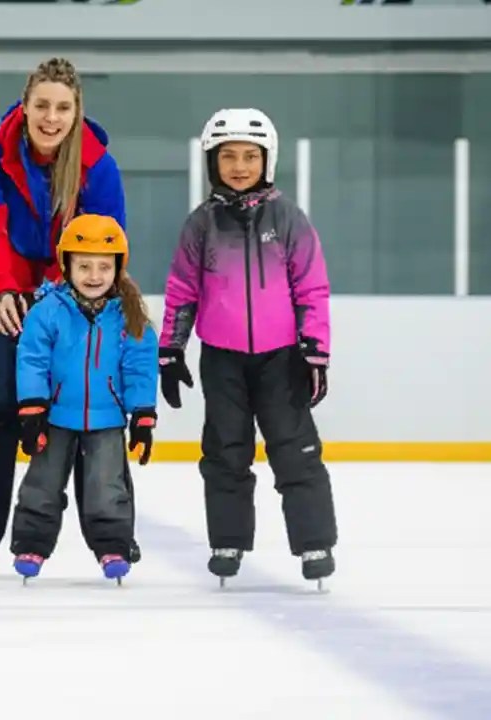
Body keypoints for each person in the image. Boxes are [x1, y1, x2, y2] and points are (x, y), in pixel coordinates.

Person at [0, 55, 129, 570]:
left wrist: (66, 293)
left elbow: (108, 238)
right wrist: (3, 289)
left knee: (86, 396)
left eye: (62, 108)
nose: (51, 118)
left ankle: (114, 531)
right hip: (4, 281)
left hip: (74, 287)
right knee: (4, 394)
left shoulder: (96, 162)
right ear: (25, 105)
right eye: (42, 106)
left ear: (77, 111)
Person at [158, 108, 337, 588]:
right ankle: (228, 540)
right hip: (222, 359)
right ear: (213, 162)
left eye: (250, 156)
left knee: (295, 450)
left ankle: (314, 541)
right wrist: (171, 349)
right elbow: (181, 291)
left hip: (283, 359)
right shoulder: (201, 224)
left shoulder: (289, 218)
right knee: (225, 452)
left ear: (267, 160)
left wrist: (315, 349)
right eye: (229, 156)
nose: (239, 165)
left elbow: (312, 288)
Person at [9, 214, 157, 585]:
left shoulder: (129, 315)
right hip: (55, 416)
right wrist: (32, 407)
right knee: (42, 483)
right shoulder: (47, 311)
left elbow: (139, 366)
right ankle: (32, 542)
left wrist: (142, 414)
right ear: (66, 266)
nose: (94, 275)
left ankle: (112, 546)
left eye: (104, 267)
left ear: (118, 268)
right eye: (84, 266)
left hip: (107, 419)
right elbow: (32, 360)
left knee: (107, 486)